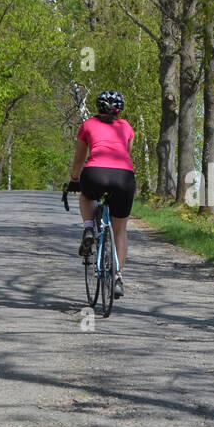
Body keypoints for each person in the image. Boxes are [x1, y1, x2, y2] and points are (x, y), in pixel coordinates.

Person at [70, 90, 135, 298]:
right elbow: (127, 152)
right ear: (119, 110)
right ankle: (117, 276)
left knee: (87, 196)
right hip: (123, 177)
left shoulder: (88, 125)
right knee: (120, 230)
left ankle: (89, 228)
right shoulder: (126, 127)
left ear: (97, 108)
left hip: (95, 172)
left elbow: (80, 158)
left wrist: (74, 177)